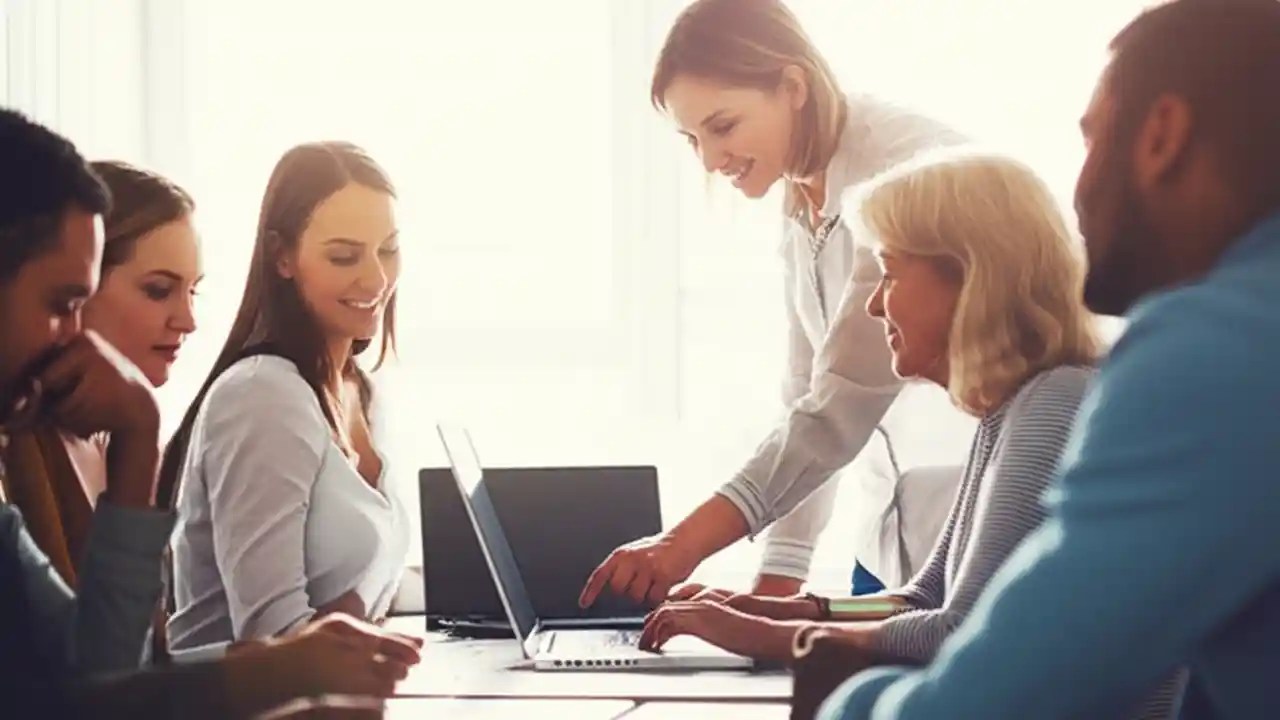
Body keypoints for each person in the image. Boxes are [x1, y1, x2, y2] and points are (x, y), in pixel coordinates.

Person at [818, 1, 1280, 718]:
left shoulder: (1218, 351)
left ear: (1162, 136)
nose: (1080, 191)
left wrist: (851, 700)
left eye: (1094, 141)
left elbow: (982, 701)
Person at [0, 107, 420, 718]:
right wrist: (283, 671)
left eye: (192, 290)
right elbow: (100, 694)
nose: (190, 320)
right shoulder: (261, 392)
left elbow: (108, 681)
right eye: (65, 301)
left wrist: (139, 436)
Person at [581, 0, 967, 610]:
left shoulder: (904, 173)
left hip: (975, 530)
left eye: (723, 126)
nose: (708, 160)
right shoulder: (801, 196)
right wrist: (770, 593)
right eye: (692, 139)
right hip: (892, 541)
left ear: (793, 85)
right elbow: (807, 402)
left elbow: (842, 403)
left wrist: (682, 546)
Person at [165, 141, 412, 649]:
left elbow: (362, 589)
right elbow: (274, 640)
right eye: (345, 255)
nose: (378, 278)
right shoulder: (262, 395)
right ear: (282, 256)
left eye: (388, 248)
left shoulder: (357, 390)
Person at [1, 159, 200, 586]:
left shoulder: (125, 439)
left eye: (193, 290)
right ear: (79, 284)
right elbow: (78, 652)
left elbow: (144, 646)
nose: (188, 320)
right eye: (159, 291)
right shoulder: (16, 442)